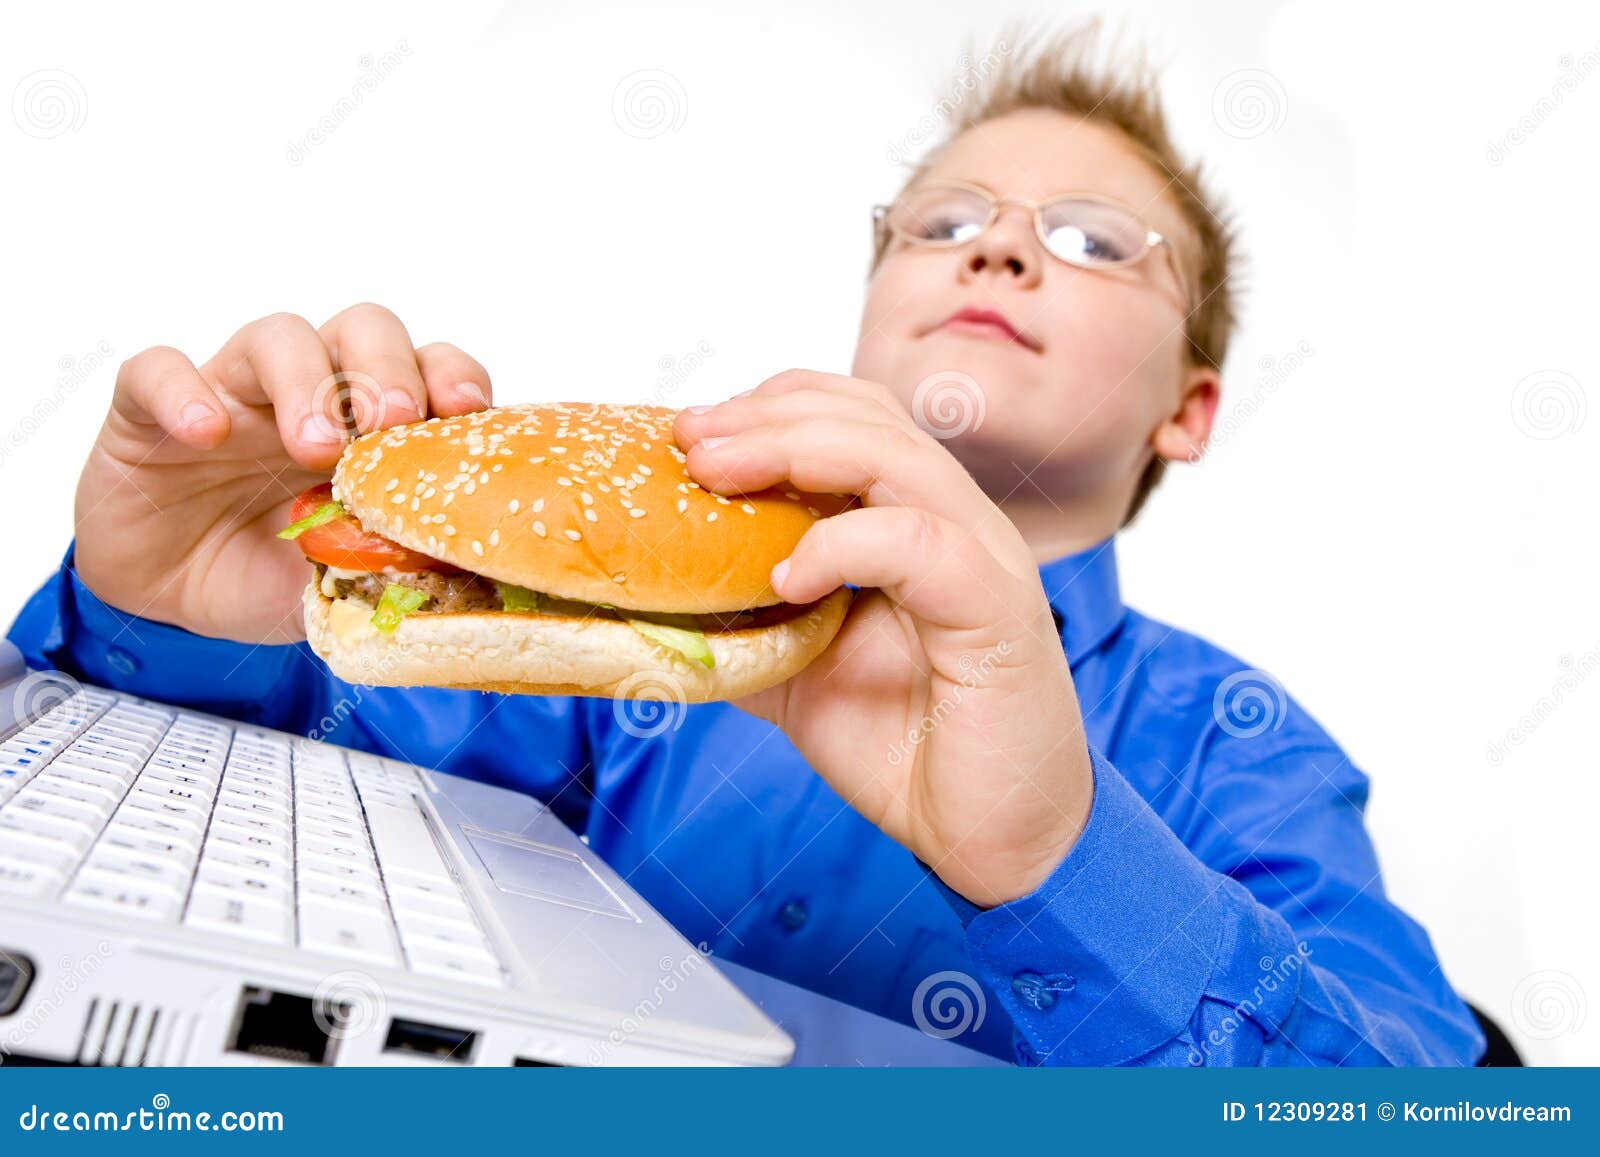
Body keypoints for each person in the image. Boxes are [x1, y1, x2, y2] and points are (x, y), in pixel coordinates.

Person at [7, 28, 1484, 1065]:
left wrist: (1060, 853)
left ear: (1192, 407)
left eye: (1095, 239)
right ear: (868, 311)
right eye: (941, 220)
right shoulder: (605, 658)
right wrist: (176, 629)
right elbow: (240, 869)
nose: (998, 247)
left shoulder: (1248, 753)